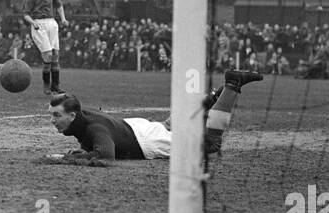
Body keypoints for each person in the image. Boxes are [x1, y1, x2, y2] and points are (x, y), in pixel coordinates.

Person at [44, 69, 264, 166]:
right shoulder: (82, 115)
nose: (52, 120)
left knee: (211, 144)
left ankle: (232, 85)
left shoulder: (94, 129)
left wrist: (68, 159)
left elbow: (106, 156)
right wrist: (83, 150)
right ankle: (218, 94)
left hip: (145, 141)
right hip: (135, 128)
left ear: (72, 115)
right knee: (170, 126)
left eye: (56, 115)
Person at [22, 0, 68, 94]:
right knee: (48, 55)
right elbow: (25, 14)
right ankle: (46, 85)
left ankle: (56, 85)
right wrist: (33, 22)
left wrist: (63, 18)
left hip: (52, 23)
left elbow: (59, 5)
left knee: (55, 55)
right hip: (39, 25)